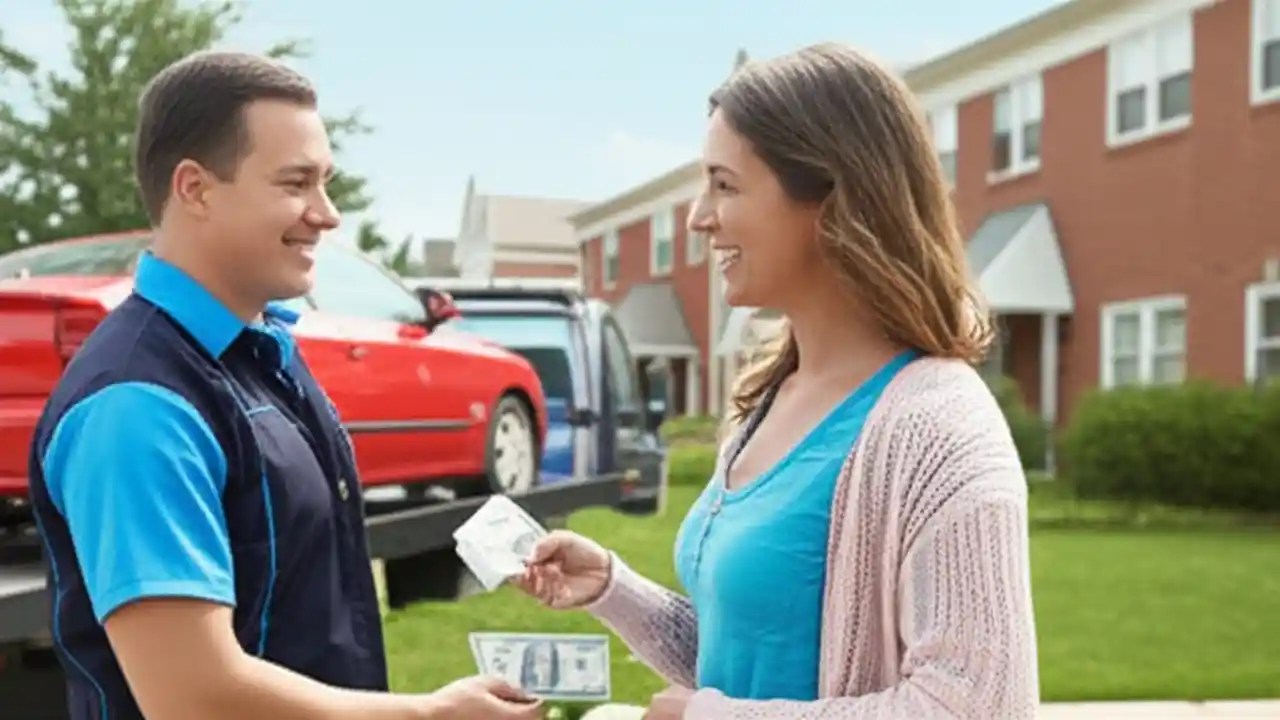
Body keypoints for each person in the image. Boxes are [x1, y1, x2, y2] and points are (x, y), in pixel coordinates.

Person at [518, 42, 1039, 719]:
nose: (698, 217)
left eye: (725, 185)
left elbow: (973, 707)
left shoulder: (939, 429)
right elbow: (751, 654)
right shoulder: (768, 400)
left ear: (830, 200)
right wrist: (614, 588)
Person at [27, 51, 540, 720]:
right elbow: (191, 697)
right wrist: (427, 715)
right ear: (195, 189)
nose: (326, 215)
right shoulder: (138, 405)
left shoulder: (261, 353)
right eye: (296, 183)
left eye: (325, 182)